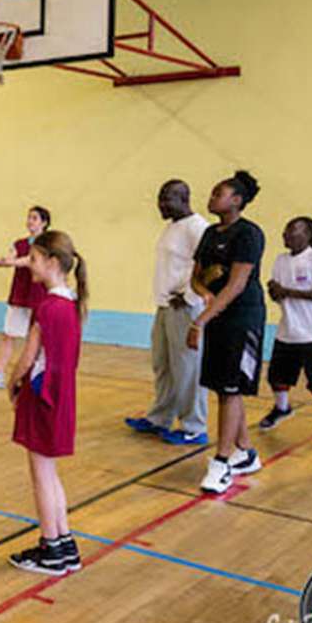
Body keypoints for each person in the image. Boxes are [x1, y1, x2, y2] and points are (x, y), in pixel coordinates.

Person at [7, 231, 87, 576]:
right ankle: (64, 542)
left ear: (52, 263)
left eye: (35, 259)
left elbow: (28, 357)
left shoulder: (47, 307)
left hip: (42, 397)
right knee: (50, 474)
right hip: (61, 397)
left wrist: (12, 383)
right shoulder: (71, 305)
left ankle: (50, 548)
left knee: (41, 475)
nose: (30, 266)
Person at [188, 170, 265, 495]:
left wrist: (200, 320)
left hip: (242, 318)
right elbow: (196, 276)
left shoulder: (248, 234)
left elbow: (236, 284)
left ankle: (221, 464)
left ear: (236, 200)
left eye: (219, 192)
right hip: (217, 315)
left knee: (231, 388)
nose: (212, 196)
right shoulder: (208, 234)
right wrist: (203, 289)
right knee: (223, 387)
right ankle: (245, 452)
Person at [125, 180, 211, 445]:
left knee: (188, 368)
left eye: (166, 199)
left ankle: (194, 425)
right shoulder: (172, 227)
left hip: (185, 308)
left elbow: (210, 267)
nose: (160, 205)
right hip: (164, 306)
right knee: (163, 365)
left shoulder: (198, 228)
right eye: (159, 199)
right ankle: (160, 417)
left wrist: (188, 295)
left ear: (183, 198)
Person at [259, 217, 312, 454]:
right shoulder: (280, 261)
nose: (286, 235)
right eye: (285, 231)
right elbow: (278, 295)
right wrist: (274, 292)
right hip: (288, 332)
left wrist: (288, 291)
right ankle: (282, 408)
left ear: (307, 235)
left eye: (293, 231)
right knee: (276, 378)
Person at [0, 206, 50, 389]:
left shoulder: (47, 244)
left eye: (34, 218)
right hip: (20, 295)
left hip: (38, 296)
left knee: (36, 339)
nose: (30, 221)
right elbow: (13, 257)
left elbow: (29, 261)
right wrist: (2, 261)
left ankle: (32, 375)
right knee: (8, 335)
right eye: (29, 217)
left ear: (44, 223)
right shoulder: (19, 243)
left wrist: (9, 262)